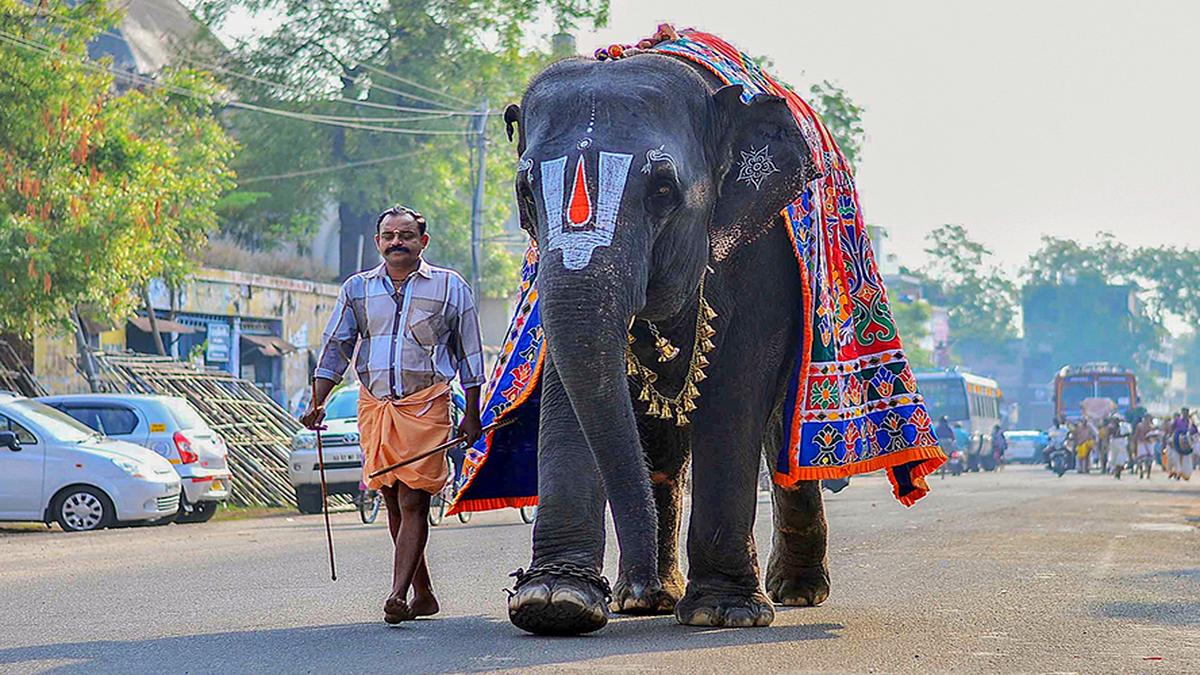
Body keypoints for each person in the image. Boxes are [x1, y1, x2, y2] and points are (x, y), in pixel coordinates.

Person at [301, 205, 486, 624]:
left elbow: (471, 354)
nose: (397, 242)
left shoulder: (450, 287)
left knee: (413, 499)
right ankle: (424, 594)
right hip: (376, 407)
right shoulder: (357, 289)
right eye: (389, 236)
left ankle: (397, 594)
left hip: (427, 405)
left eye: (405, 235)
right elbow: (337, 347)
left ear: (423, 241)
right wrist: (318, 401)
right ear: (378, 243)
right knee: (392, 502)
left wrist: (472, 412)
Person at [1132, 414, 1156, 479]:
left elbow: (1154, 436)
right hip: (1141, 443)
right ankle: (1141, 471)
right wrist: (1134, 443)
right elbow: (1136, 435)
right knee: (1141, 459)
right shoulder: (1140, 426)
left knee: (1149, 460)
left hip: (1149, 444)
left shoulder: (1152, 427)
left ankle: (1148, 474)